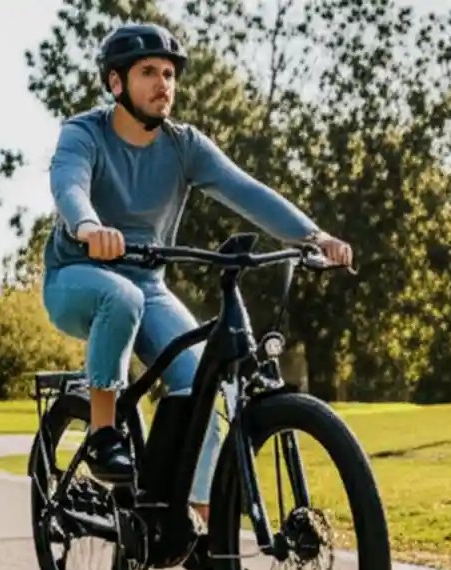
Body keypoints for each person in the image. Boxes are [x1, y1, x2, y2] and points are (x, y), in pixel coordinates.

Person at [42, 24, 352, 523]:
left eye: (169, 73)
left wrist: (312, 237)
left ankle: (200, 519)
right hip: (78, 275)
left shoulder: (183, 145)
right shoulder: (85, 132)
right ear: (116, 83)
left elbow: (245, 190)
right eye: (148, 72)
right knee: (120, 298)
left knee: (206, 382)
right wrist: (88, 225)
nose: (163, 83)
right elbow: (68, 182)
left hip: (149, 283)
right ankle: (103, 435)